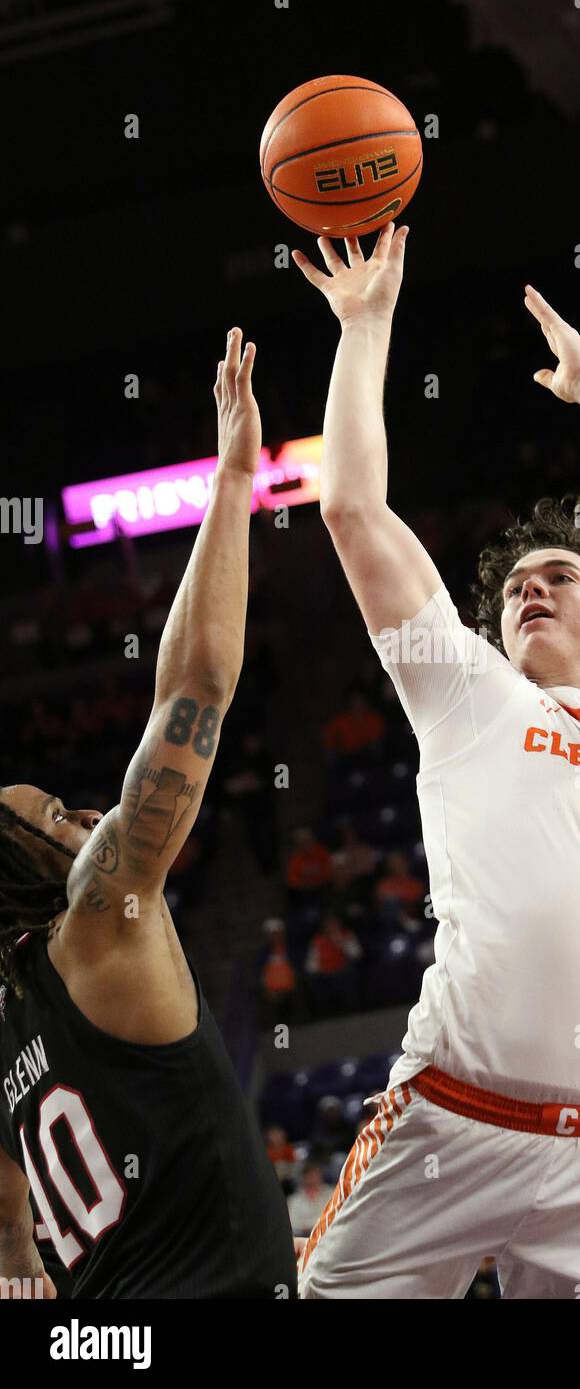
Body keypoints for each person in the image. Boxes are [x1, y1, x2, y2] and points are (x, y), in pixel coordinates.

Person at [292, 223, 580, 1299]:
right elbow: (352, 509)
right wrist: (365, 327)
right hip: (454, 1118)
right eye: (510, 590)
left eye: (559, 578)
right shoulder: (466, 692)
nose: (528, 590)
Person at [0, 330, 296, 1299]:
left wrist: (14, 1256)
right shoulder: (101, 920)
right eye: (51, 811)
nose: (83, 808)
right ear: (36, 874)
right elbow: (197, 684)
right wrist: (235, 472)